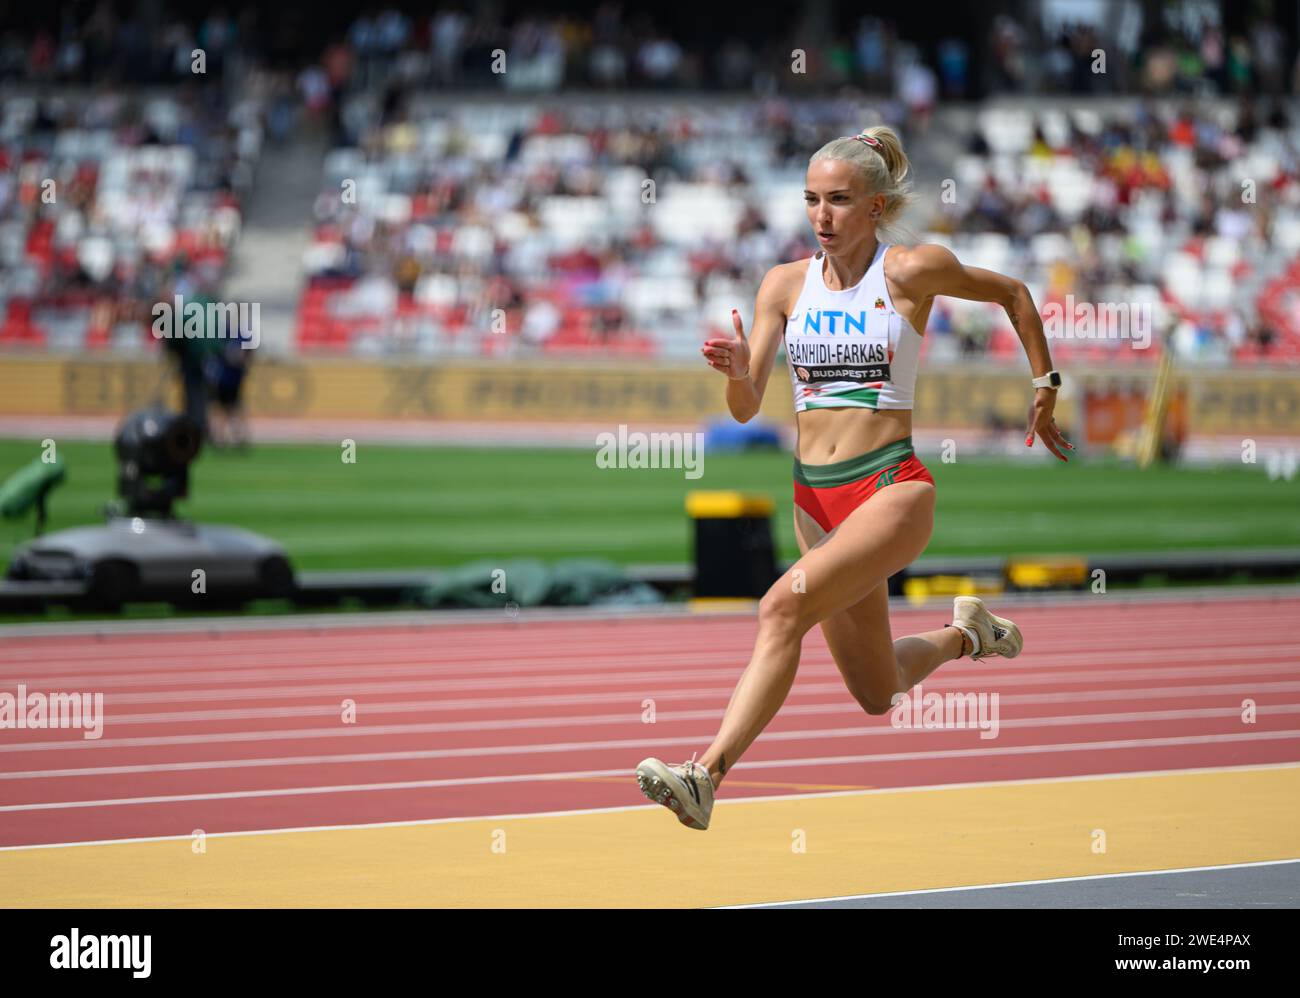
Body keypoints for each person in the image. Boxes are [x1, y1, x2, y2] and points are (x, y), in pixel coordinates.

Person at [635, 126, 1072, 830]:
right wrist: (740, 373)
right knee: (878, 689)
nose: (821, 215)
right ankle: (971, 633)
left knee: (780, 609)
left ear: (875, 206)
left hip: (890, 489)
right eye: (811, 199)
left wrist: (1045, 380)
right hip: (813, 499)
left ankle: (704, 775)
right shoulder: (783, 284)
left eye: (839, 200)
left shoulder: (909, 271)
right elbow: (746, 409)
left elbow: (1015, 293)